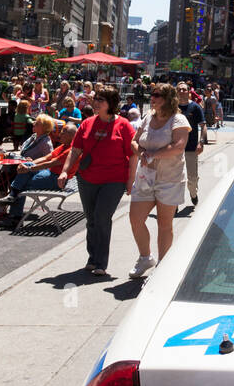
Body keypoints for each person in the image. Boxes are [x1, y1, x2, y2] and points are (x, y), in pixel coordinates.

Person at [58, 86, 134, 276]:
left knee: (102, 217)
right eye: (96, 99)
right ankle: (92, 258)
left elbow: (133, 155)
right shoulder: (86, 124)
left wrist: (131, 180)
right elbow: (75, 151)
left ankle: (101, 262)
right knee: (91, 219)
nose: (96, 102)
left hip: (114, 180)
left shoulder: (123, 125)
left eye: (101, 99)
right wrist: (64, 172)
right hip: (87, 178)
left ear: (111, 104)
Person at [127, 82, 191, 278]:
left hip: (169, 179)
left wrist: (153, 154)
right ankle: (145, 257)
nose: (152, 98)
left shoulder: (178, 119)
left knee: (164, 224)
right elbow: (134, 141)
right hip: (146, 177)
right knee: (135, 218)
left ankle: (162, 267)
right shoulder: (147, 117)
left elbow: (179, 146)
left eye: (157, 95)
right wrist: (143, 152)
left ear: (168, 99)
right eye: (152, 94)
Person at [0, 121, 81, 229]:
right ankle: (13, 198)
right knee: (24, 172)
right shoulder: (63, 146)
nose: (60, 134)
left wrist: (30, 167)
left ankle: (15, 216)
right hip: (50, 174)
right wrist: (30, 163)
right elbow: (46, 157)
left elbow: (51, 162)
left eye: (64, 132)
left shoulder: (72, 149)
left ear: (72, 136)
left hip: (57, 180)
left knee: (21, 186)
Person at [0, 113, 56, 197]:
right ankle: (3, 205)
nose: (33, 123)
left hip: (29, 171)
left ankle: (8, 203)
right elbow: (22, 152)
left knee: (5, 178)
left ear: (44, 128)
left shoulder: (45, 142)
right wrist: (8, 153)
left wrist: (33, 163)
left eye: (37, 123)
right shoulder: (33, 137)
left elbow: (49, 161)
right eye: (35, 121)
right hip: (20, 166)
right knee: (2, 178)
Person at [175, 81, 206, 207]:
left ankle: (193, 194)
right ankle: (174, 204)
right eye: (179, 89)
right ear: (176, 91)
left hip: (191, 148)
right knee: (175, 179)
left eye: (184, 89)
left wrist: (201, 142)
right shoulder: (172, 108)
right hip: (174, 149)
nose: (182, 91)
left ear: (189, 92)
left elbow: (203, 126)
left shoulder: (195, 107)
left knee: (192, 179)